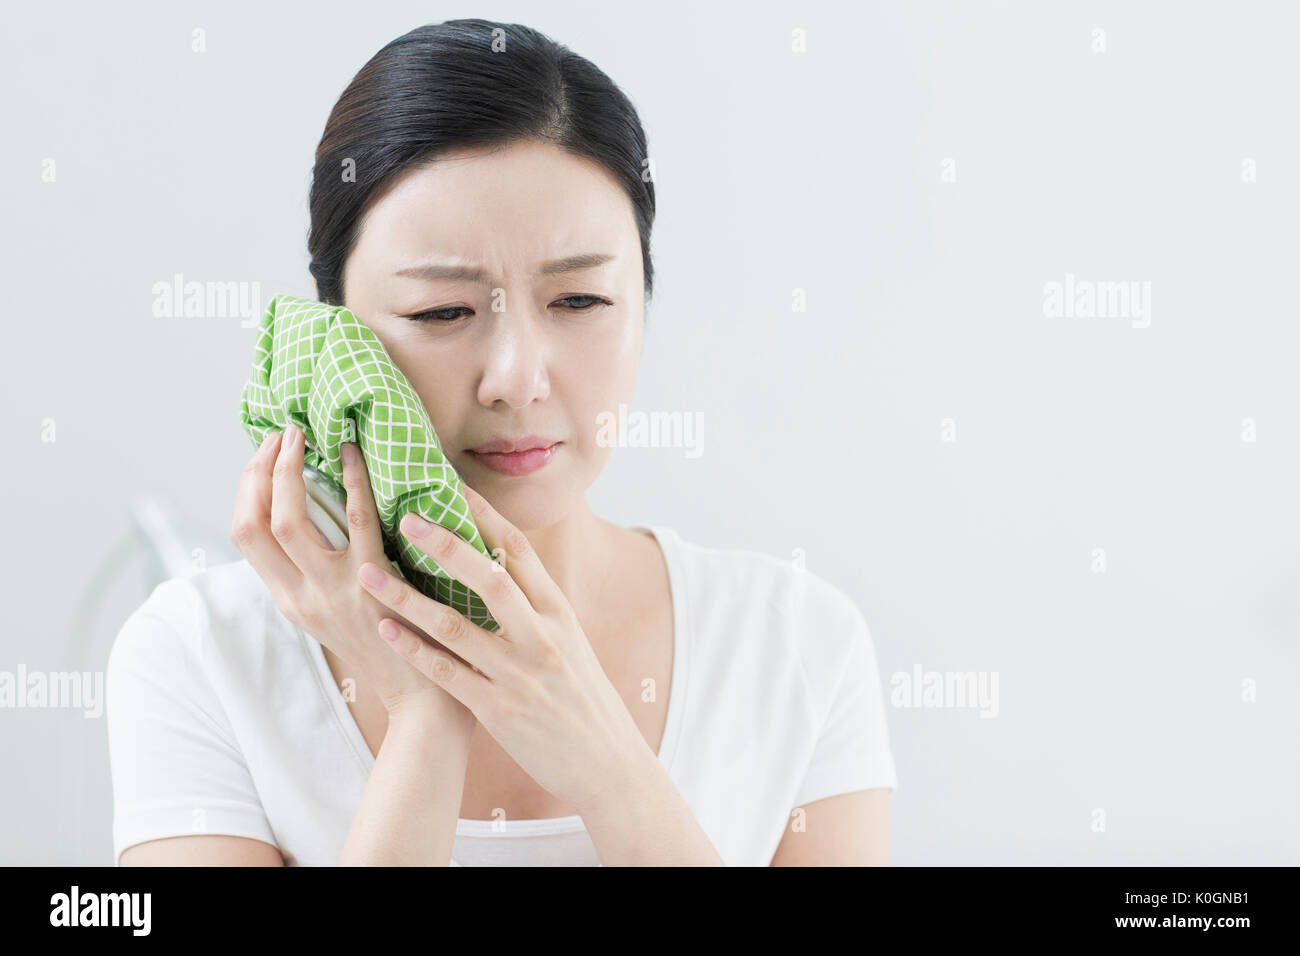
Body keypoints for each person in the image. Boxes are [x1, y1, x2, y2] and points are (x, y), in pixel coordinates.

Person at [106, 17, 897, 866]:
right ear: (330, 332)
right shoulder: (201, 654)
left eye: (580, 301)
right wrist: (423, 714)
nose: (517, 378)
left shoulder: (794, 644)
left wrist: (607, 766)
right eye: (441, 312)